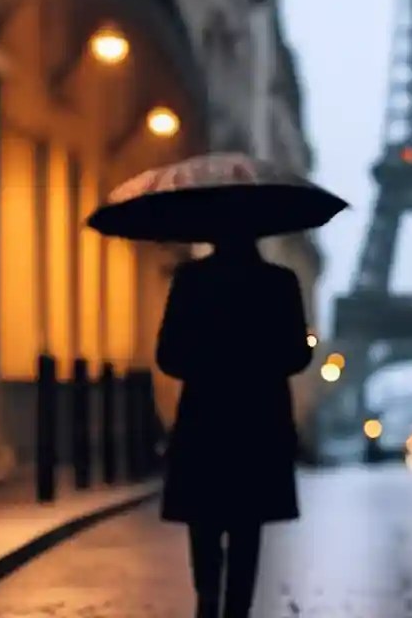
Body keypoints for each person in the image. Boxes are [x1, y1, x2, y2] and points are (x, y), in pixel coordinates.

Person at [155, 237, 313, 618]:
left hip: (205, 414)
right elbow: (297, 355)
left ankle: (207, 597)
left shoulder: (191, 280)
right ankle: (238, 608)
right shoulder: (279, 282)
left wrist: (208, 361)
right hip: (258, 416)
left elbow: (168, 355)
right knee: (248, 521)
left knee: (203, 516)